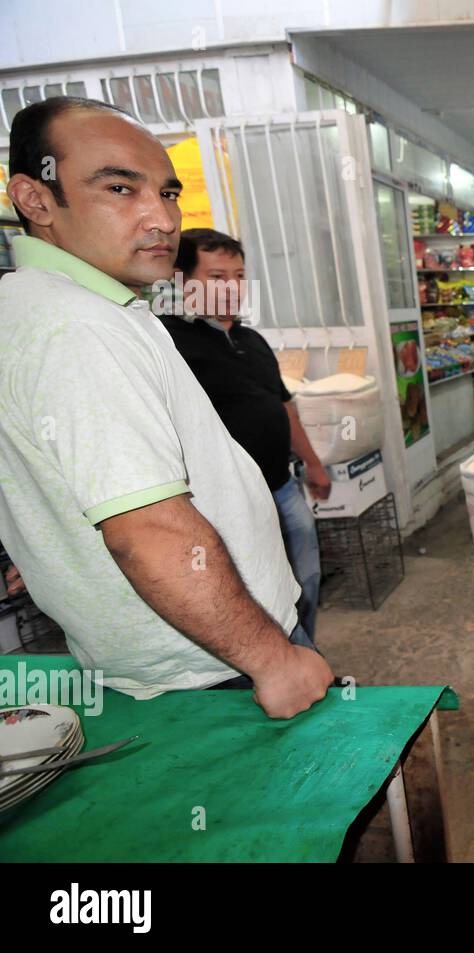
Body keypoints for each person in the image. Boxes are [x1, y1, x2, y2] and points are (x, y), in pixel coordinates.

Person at [0, 97, 333, 716]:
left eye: (169, 192)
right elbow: (147, 530)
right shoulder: (73, 326)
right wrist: (271, 659)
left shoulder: (80, 308)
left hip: (203, 648)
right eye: (121, 188)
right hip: (213, 663)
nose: (161, 218)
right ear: (36, 198)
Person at [159, 228, 328, 648]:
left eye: (239, 276)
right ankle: (283, 667)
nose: (232, 287)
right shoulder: (169, 341)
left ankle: (304, 654)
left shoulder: (252, 340)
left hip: (283, 486)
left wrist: (314, 463)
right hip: (226, 501)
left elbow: (285, 407)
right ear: (181, 279)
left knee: (305, 579)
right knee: (256, 592)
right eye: (217, 277)